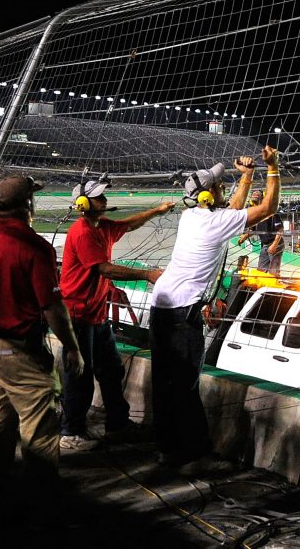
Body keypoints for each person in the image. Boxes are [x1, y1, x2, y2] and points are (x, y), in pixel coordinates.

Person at [0, 174, 84, 524]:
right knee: (40, 430)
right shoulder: (35, 246)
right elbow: (51, 306)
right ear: (28, 204)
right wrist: (72, 348)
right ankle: (41, 505)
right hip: (19, 351)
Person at [149, 145, 280, 475]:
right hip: (182, 313)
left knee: (165, 382)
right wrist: (273, 168)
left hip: (162, 306)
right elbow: (268, 208)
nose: (225, 188)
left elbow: (231, 212)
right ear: (208, 196)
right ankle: (195, 454)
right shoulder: (212, 222)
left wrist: (247, 177)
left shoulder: (192, 216)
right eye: (220, 186)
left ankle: (168, 449)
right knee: (185, 385)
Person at [59, 176, 175, 451]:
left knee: (111, 370)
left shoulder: (102, 226)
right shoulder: (83, 232)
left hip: (96, 314)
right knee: (80, 375)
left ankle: (117, 425)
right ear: (84, 204)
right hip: (78, 315)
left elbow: (129, 223)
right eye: (99, 197)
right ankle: (70, 432)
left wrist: (156, 211)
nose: (104, 200)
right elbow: (104, 268)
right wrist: (147, 274)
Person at [236, 190, 284, 275]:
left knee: (273, 272)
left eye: (257, 194)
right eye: (253, 194)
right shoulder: (257, 214)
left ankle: (272, 286)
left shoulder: (271, 212)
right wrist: (244, 236)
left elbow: (280, 230)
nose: (254, 195)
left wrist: (274, 245)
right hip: (265, 245)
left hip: (275, 244)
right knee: (261, 271)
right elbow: (253, 229)